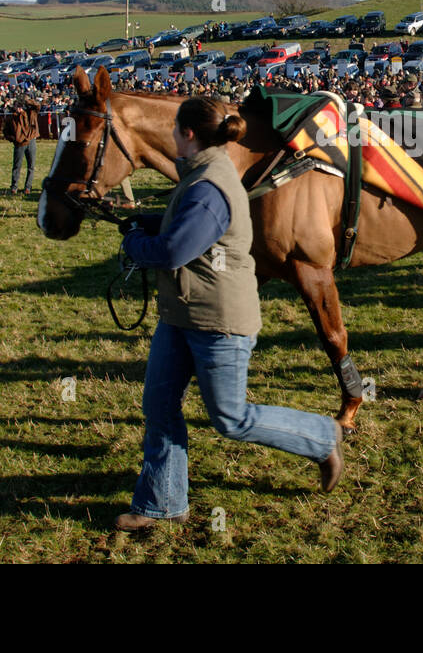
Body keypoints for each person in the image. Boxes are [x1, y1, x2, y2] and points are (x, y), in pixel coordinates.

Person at [114, 96, 342, 531]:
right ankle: (162, 504)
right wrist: (142, 220)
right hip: (183, 312)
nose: (171, 136)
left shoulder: (210, 185)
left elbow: (176, 248)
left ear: (188, 134)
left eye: (175, 129)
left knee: (230, 418)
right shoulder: (200, 175)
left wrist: (134, 246)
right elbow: (183, 225)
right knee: (160, 404)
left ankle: (320, 436)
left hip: (219, 321)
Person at [6, 97, 41, 195]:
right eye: (17, 107)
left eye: (20, 107)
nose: (19, 109)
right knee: (17, 166)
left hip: (31, 142)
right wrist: (14, 139)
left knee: (31, 166)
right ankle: (14, 187)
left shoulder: (31, 113)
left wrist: (27, 100)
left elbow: (37, 106)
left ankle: (28, 187)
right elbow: (6, 132)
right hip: (19, 144)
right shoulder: (12, 118)